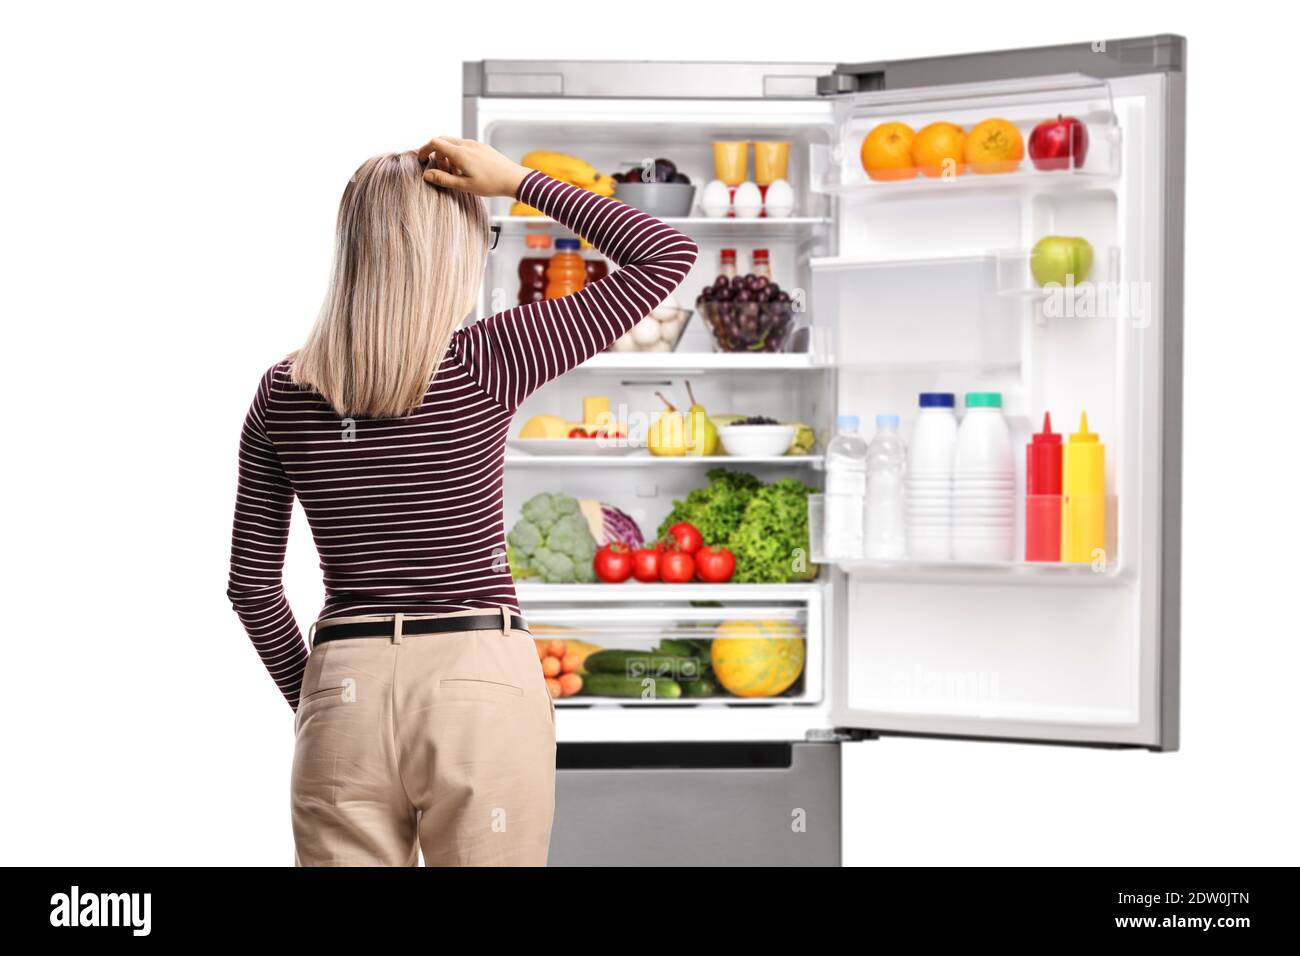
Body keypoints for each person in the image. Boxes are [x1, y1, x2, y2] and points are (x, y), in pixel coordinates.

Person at [226, 137, 698, 865]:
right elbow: (664, 255)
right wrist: (516, 181)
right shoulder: (488, 358)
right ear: (454, 249)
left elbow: (252, 588)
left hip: (344, 684)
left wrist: (322, 704)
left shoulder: (282, 392)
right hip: (479, 679)